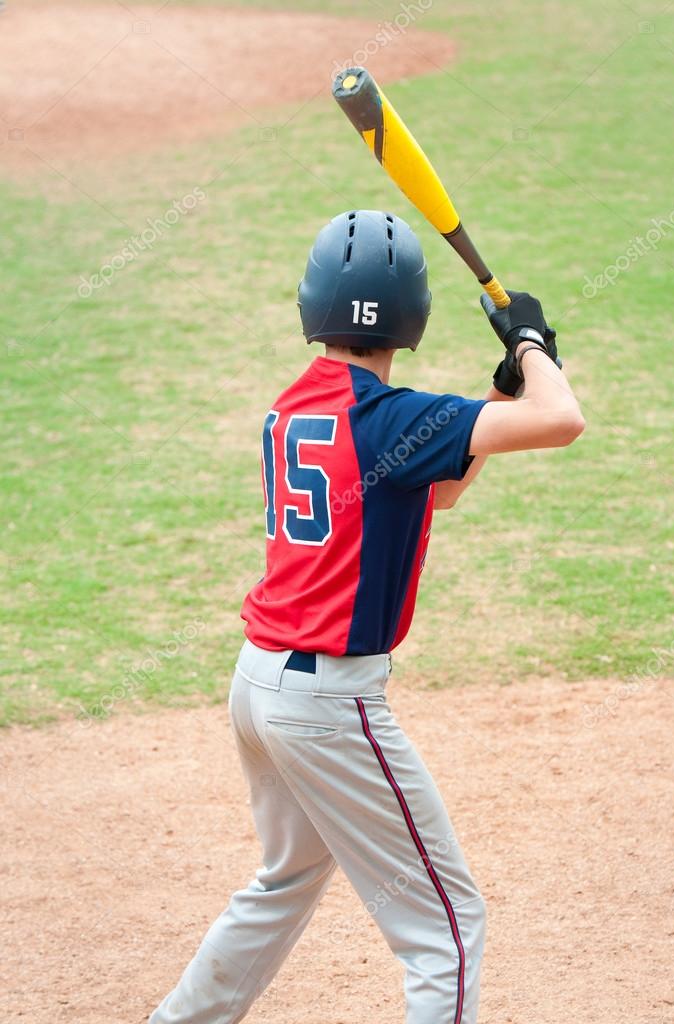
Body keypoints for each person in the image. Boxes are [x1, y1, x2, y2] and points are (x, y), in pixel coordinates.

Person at [149, 209, 584, 1024]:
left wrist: (500, 388)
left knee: (284, 880)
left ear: (315, 304)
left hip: (258, 689)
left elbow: (442, 485)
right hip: (327, 708)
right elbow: (563, 419)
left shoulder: (294, 408)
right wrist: (530, 345)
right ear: (411, 315)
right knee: (446, 934)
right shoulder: (395, 418)